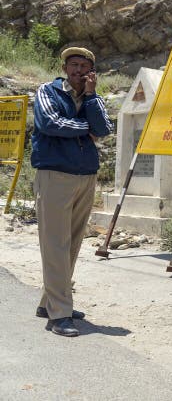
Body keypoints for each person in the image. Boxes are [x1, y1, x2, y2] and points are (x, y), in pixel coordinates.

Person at [31, 46, 113, 337]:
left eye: (84, 66)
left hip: (85, 176)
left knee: (73, 243)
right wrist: (85, 128)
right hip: (54, 175)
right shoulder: (47, 91)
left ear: (91, 72)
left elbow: (103, 128)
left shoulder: (94, 98)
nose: (78, 70)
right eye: (73, 64)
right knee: (55, 245)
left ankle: (50, 302)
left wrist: (91, 98)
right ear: (65, 68)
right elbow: (51, 123)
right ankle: (60, 314)